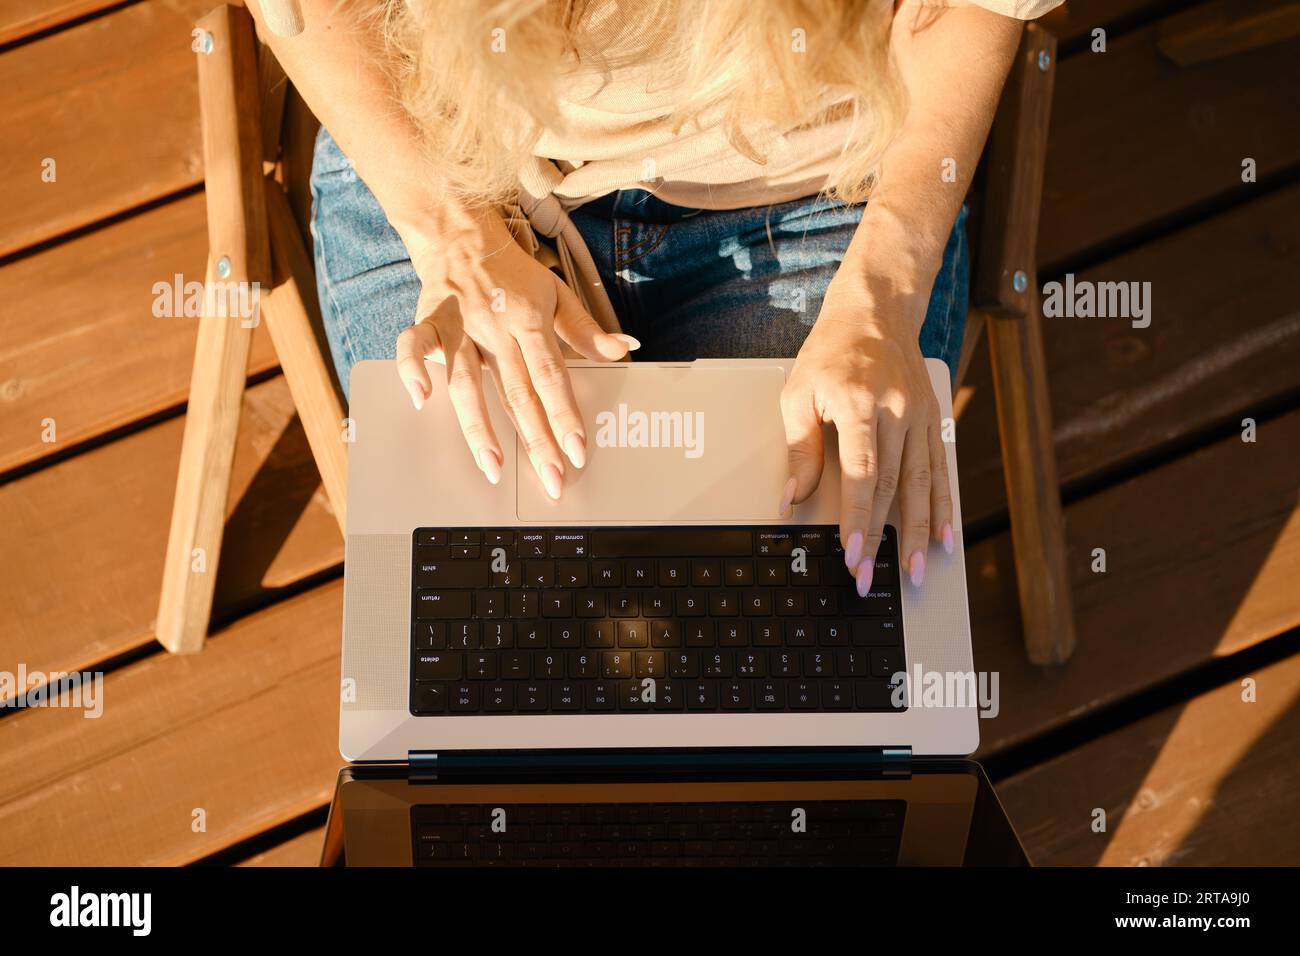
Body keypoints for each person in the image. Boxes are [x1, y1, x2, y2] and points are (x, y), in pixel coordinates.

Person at [250, 0, 1062, 596]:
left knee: (776, 657)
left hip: (822, 188)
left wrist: (884, 291)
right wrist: (452, 238)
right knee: (490, 635)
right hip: (445, 164)